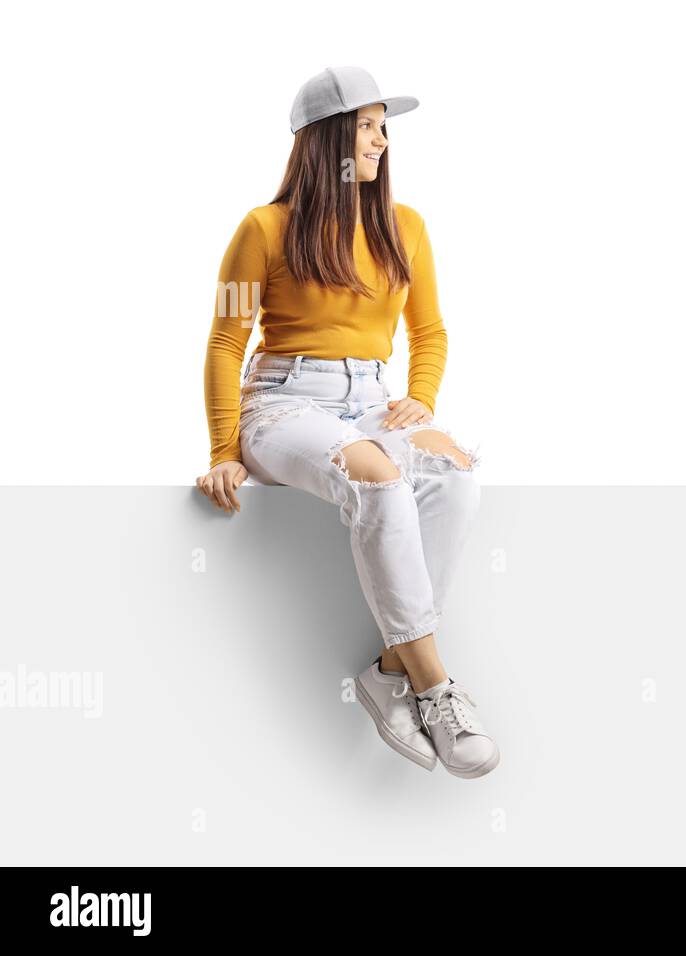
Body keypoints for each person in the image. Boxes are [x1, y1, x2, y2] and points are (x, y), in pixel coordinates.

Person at [196, 66, 498, 779]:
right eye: (366, 126)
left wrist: (419, 396)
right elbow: (226, 341)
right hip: (282, 400)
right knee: (377, 474)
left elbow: (430, 332)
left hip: (370, 395)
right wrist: (223, 448)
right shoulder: (262, 229)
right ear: (325, 138)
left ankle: (388, 672)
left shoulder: (407, 228)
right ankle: (432, 685)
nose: (381, 141)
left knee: (453, 474)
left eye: (383, 127)